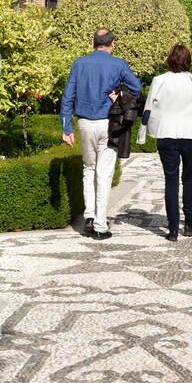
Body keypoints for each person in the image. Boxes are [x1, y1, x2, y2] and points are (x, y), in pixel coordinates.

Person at [61, 29, 143, 240]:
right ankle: (99, 225)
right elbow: (137, 87)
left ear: (92, 42)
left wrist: (66, 128)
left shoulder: (79, 63)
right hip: (108, 123)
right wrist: (119, 95)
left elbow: (68, 95)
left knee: (88, 168)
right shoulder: (118, 64)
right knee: (104, 173)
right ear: (112, 44)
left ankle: (89, 216)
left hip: (84, 123)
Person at [138, 44, 192, 242]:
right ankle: (190, 223)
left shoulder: (159, 81)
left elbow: (147, 110)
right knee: (189, 178)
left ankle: (173, 229)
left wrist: (141, 135)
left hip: (166, 135)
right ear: (188, 60)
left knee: (171, 180)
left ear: (170, 59)